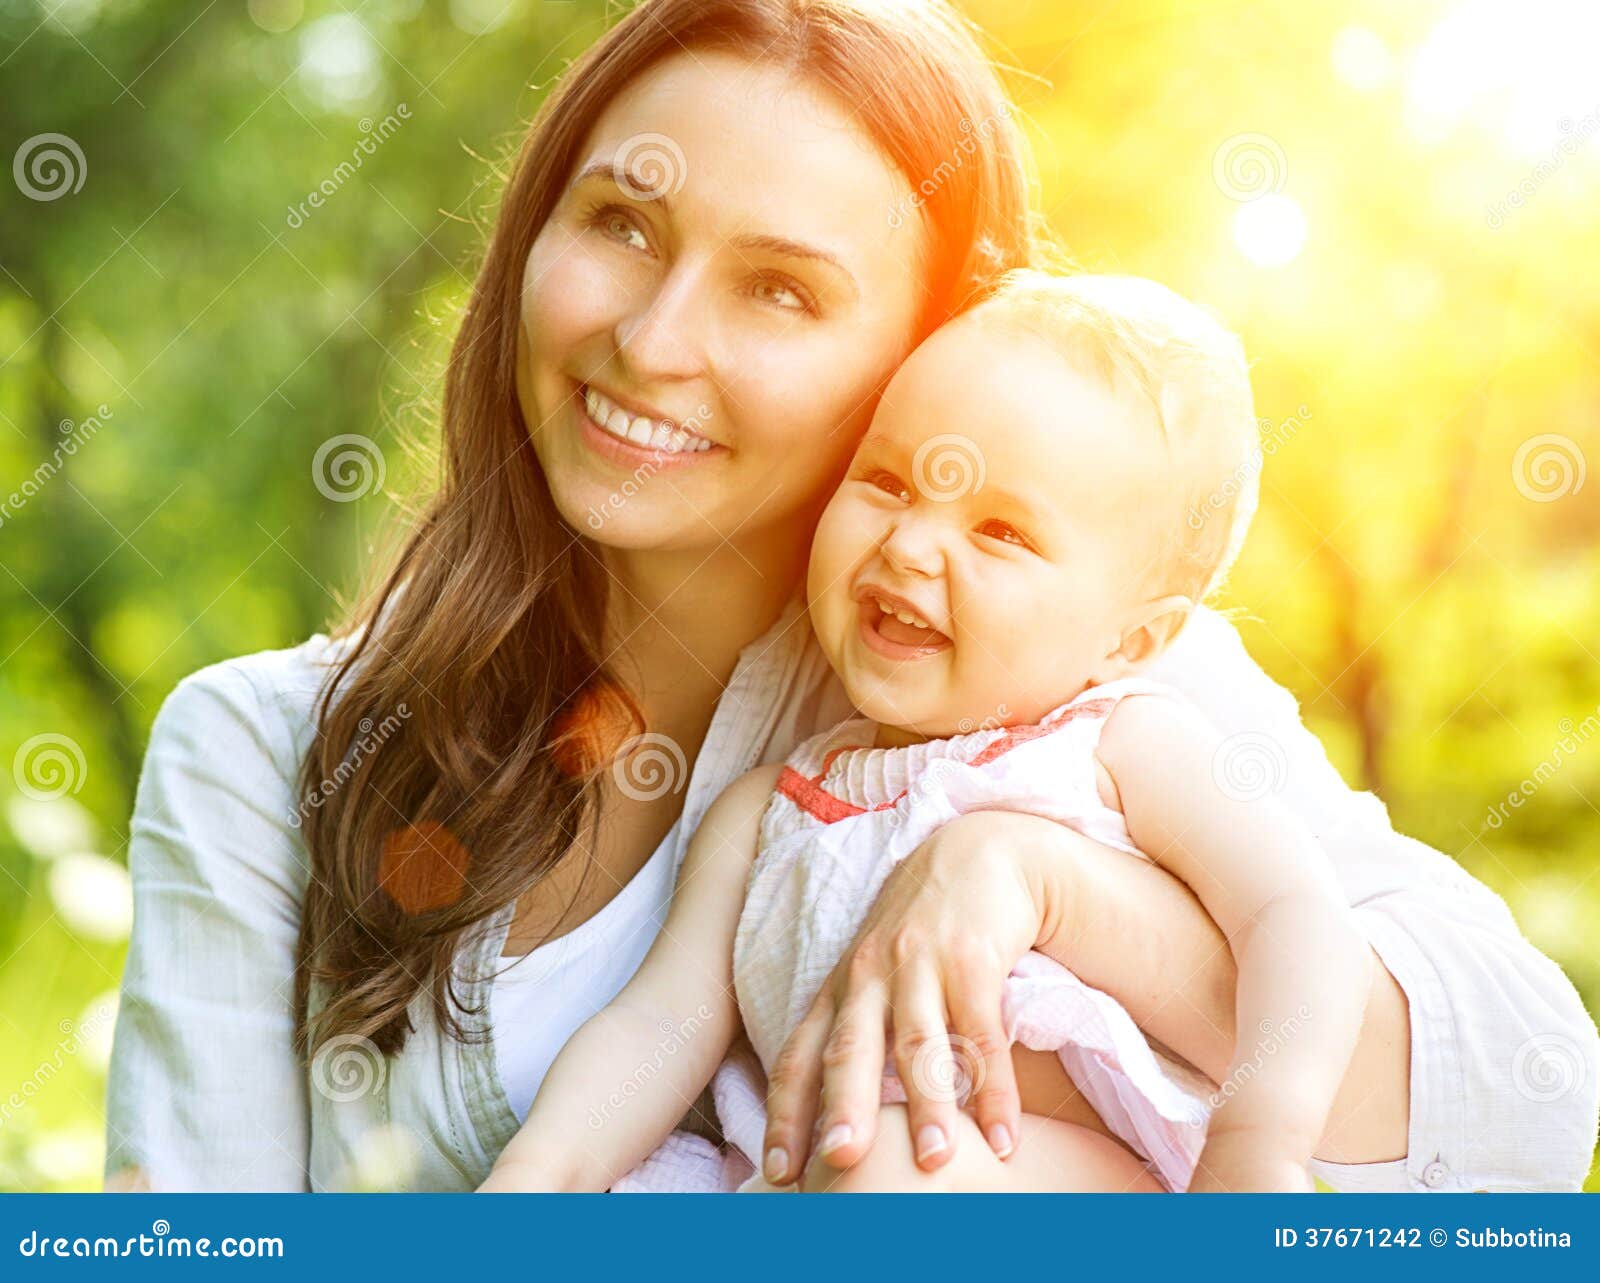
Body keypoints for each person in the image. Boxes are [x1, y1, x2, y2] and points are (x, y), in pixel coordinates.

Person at [104, 0, 1597, 1194]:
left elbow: (1530, 1085)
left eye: (782, 289)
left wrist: (1037, 877)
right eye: (621, 222)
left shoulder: (1073, 676)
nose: (653, 336)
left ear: (930, 341)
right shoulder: (265, 752)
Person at [480, 271, 1379, 1193]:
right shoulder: (763, 814)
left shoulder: (1118, 749)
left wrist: (1258, 1134)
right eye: (886, 480)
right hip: (814, 1182)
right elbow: (658, 1027)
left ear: (1131, 639)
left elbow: (1296, 917)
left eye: (1001, 532)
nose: (911, 545)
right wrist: (540, 1171)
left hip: (1077, 1181)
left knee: (888, 1167)